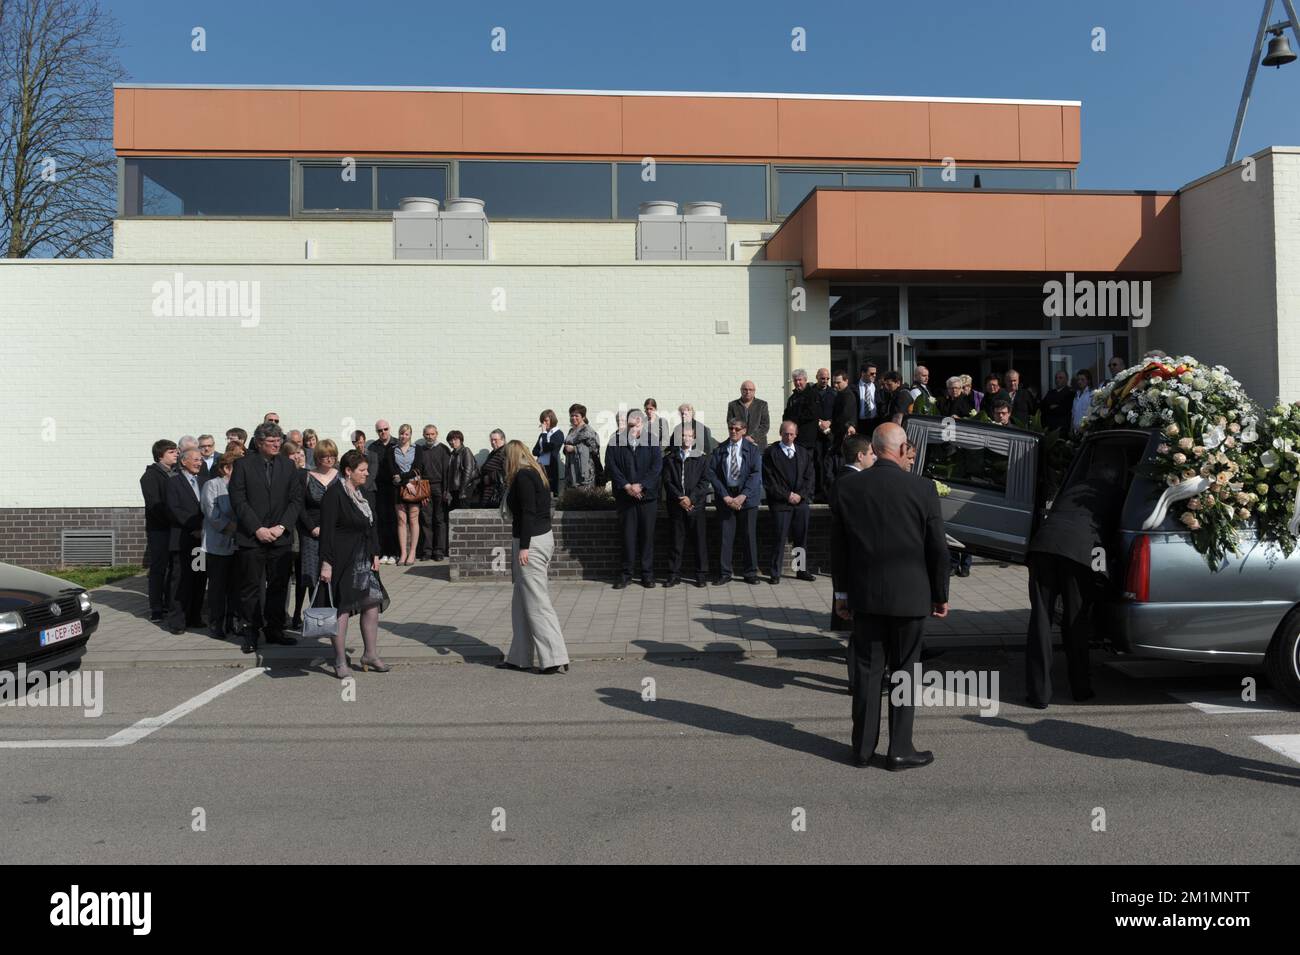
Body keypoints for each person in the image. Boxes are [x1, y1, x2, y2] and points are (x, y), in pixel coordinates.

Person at [831, 423, 949, 770]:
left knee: (868, 671)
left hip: (865, 596)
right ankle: (899, 749)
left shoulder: (847, 488)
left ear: (875, 448)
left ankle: (863, 749)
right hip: (911, 596)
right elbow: (938, 549)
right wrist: (940, 594)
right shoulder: (923, 488)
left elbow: (838, 549)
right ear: (899, 451)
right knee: (904, 672)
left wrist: (841, 593)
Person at [1024, 441, 1135, 707]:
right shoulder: (1117, 494)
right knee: (1075, 621)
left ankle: (1038, 693)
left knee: (1040, 619)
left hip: (1043, 548)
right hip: (1078, 555)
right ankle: (1080, 688)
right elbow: (1112, 536)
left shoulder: (1074, 487)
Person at [229, 422, 304, 653]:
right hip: (252, 538)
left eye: (278, 441)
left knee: (279, 586)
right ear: (260, 442)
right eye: (271, 442)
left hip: (280, 538)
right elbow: (238, 500)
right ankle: (251, 632)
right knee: (251, 588)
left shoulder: (288, 466)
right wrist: (258, 528)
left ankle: (275, 629)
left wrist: (282, 526)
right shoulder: (243, 465)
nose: (276, 445)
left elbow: (295, 499)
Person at [496, 440, 570, 675]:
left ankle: (554, 657)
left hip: (531, 543)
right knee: (521, 602)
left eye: (505, 458)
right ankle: (519, 657)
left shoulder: (524, 477)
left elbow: (527, 513)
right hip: (537, 539)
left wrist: (524, 547)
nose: (504, 462)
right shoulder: (534, 472)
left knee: (537, 602)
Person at [319, 449, 390, 678]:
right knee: (341, 608)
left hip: (364, 558)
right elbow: (327, 532)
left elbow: (372, 526)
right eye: (362, 470)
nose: (366, 474)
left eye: (367, 470)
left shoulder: (364, 494)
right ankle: (340, 660)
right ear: (348, 471)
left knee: (371, 603)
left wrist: (376, 553)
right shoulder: (334, 494)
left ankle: (370, 653)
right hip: (341, 559)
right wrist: (326, 563)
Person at [606, 410, 663, 589]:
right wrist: (627, 486)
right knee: (627, 537)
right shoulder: (615, 440)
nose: (635, 424)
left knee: (647, 537)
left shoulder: (652, 439)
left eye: (639, 421)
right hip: (626, 497)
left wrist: (642, 485)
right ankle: (626, 574)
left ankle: (647, 574)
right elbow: (611, 466)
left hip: (647, 498)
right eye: (632, 421)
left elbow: (656, 467)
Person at [827, 434, 876, 636]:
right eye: (871, 453)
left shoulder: (846, 478)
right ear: (860, 456)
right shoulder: (853, 482)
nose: (874, 458)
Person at [708, 418, 763, 585]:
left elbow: (756, 474)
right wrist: (725, 496)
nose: (733, 431)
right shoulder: (720, 449)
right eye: (731, 428)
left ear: (744, 431)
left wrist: (743, 496)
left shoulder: (752, 450)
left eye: (737, 429)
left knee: (748, 536)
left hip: (747, 497)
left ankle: (750, 572)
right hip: (726, 496)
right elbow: (712, 473)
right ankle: (725, 573)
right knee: (725, 536)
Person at [763, 421, 816, 585]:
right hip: (781, 504)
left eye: (792, 434)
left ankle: (801, 570)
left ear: (796, 434)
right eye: (786, 433)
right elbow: (769, 481)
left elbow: (810, 477)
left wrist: (800, 495)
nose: (789, 436)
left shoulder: (803, 453)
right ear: (780, 433)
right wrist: (787, 495)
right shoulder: (771, 453)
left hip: (800, 504)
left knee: (801, 538)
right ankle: (775, 572)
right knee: (779, 538)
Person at [294, 438, 339, 628]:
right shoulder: (306, 477)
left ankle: (334, 617)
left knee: (334, 575)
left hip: (335, 533)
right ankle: (317, 621)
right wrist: (312, 527)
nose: (329, 460)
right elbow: (300, 506)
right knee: (313, 577)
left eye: (332, 456)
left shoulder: (340, 477)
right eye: (325, 457)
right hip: (311, 533)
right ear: (318, 457)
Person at [201, 447, 243, 640]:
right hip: (218, 543)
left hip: (238, 544)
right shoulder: (212, 485)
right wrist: (232, 527)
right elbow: (212, 514)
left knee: (236, 586)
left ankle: (234, 621)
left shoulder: (241, 487)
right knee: (218, 587)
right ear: (226, 468)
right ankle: (216, 623)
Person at [164, 448, 208, 634]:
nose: (199, 463)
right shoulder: (173, 482)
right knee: (181, 581)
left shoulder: (204, 481)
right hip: (183, 540)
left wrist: (204, 529)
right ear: (184, 462)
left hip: (202, 541)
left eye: (201, 460)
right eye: (196, 459)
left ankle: (194, 617)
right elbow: (174, 510)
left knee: (199, 579)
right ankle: (177, 621)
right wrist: (194, 528)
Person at [662, 426, 711, 587]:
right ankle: (673, 574)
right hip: (677, 506)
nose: (686, 438)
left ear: (694, 439)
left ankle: (701, 574)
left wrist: (691, 499)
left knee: (699, 541)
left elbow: (704, 482)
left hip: (696, 506)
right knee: (676, 541)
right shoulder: (670, 458)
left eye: (689, 436)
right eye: (683, 435)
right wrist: (680, 499)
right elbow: (667, 481)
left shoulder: (702, 458)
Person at [141, 439, 179, 622]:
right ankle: (156, 607)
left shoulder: (176, 473)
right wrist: (173, 519)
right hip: (160, 530)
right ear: (160, 455)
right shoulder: (150, 476)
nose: (176, 454)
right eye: (171, 452)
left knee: (173, 568)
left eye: (176, 451)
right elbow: (155, 505)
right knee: (158, 569)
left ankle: (170, 603)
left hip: (175, 528)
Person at [384, 424, 423, 566]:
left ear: (410, 435)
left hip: (414, 488)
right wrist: (406, 483)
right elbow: (391, 470)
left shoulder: (417, 449)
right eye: (401, 433)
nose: (403, 436)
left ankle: (412, 552)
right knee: (401, 520)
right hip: (398, 488)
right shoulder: (391, 450)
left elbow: (417, 469)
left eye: (406, 434)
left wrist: (405, 480)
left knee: (413, 519)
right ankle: (403, 553)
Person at [417, 425, 451, 560]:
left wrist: (445, 491)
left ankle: (439, 551)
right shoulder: (420, 450)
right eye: (427, 434)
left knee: (440, 520)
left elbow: (447, 472)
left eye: (432, 434)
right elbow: (418, 472)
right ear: (423, 435)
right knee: (426, 520)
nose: (429, 437)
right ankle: (427, 551)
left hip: (439, 487)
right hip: (425, 487)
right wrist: (422, 492)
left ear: (437, 434)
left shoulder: (443, 449)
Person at [368, 419, 399, 564]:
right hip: (379, 489)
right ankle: (384, 552)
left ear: (389, 428)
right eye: (380, 430)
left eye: (385, 429)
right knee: (381, 521)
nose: (383, 432)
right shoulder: (373, 447)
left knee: (394, 520)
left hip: (394, 488)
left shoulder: (397, 444)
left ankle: (394, 552)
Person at [563, 404, 601, 489]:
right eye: (571, 415)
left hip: (584, 472)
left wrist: (574, 449)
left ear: (583, 417)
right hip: (571, 471)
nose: (573, 418)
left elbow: (594, 450)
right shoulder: (571, 430)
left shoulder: (588, 431)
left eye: (576, 415)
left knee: (584, 498)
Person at [727, 381, 770, 449]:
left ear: (754, 391)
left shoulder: (762, 405)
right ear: (741, 390)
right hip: (739, 444)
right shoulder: (733, 405)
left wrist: (752, 437)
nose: (748, 392)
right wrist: (741, 438)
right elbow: (730, 424)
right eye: (745, 389)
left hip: (758, 444)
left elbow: (765, 425)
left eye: (750, 389)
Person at [532, 410, 565, 495]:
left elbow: (547, 447)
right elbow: (534, 451)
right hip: (540, 465)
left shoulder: (558, 434)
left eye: (546, 421)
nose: (544, 423)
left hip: (551, 466)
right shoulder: (543, 434)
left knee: (549, 489)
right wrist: (541, 452)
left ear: (552, 420)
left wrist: (544, 433)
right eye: (542, 421)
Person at [447, 431, 480, 509]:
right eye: (450, 440)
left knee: (463, 511)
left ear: (461, 440)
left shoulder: (465, 451)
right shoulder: (452, 454)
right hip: (454, 489)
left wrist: (463, 489)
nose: (452, 442)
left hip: (464, 488)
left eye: (455, 439)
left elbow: (468, 471)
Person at [478, 430, 508, 508]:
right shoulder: (493, 453)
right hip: (488, 491)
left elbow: (507, 472)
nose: (493, 442)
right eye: (491, 440)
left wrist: (489, 477)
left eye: (495, 440)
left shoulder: (505, 452)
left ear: (503, 440)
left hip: (497, 493)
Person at [1040, 369, 1073, 434]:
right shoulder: (1050, 392)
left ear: (1066, 380)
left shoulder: (1070, 393)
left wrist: (1050, 407)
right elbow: (1042, 407)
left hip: (1061, 430)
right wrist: (1052, 407)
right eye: (1056, 378)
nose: (1057, 380)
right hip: (1048, 429)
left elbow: (1063, 410)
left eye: (1060, 378)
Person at [853, 363, 880, 436]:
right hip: (859, 423)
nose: (874, 375)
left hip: (875, 422)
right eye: (872, 373)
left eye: (875, 373)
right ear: (863, 373)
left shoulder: (878, 387)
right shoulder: (853, 387)